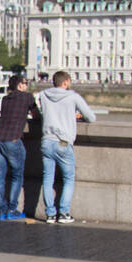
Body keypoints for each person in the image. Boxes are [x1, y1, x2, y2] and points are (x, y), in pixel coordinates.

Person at [37, 70, 96, 224]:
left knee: (47, 179)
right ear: (65, 82)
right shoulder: (73, 96)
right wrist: (76, 116)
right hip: (63, 142)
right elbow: (91, 117)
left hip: (46, 140)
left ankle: (50, 214)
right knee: (68, 178)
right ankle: (63, 213)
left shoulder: (43, 95)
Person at [0, 72, 36, 221]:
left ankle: (1, 211)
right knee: (17, 175)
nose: (26, 85)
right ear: (19, 85)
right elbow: (36, 115)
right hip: (13, 139)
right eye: (25, 83)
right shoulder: (27, 97)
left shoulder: (5, 99)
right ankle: (12, 209)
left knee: (0, 175)